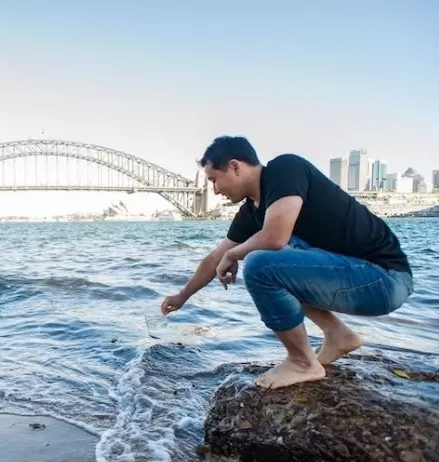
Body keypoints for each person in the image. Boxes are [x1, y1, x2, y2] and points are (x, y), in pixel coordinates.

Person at [161, 136, 414, 389]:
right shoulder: (252, 212)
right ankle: (338, 336)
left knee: (261, 263)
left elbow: (274, 237)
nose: (214, 189)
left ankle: (302, 362)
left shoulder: (285, 169)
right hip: (365, 278)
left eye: (214, 179)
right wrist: (181, 296)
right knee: (276, 256)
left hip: (386, 279)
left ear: (235, 166)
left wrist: (235, 253)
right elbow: (215, 257)